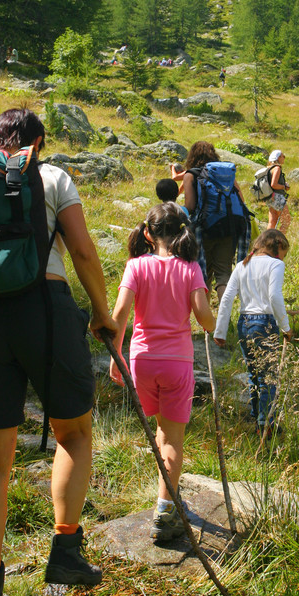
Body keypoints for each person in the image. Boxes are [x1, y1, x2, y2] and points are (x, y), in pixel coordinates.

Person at [0, 108, 117, 596]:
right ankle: (65, 552)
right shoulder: (50, 175)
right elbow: (84, 253)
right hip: (44, 309)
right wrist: (102, 313)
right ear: (38, 143)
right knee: (72, 433)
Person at [108, 203, 215, 543]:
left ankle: (166, 495)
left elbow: (121, 312)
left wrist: (116, 354)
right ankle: (165, 509)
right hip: (176, 363)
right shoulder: (190, 269)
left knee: (159, 432)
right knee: (171, 439)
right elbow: (203, 318)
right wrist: (218, 321)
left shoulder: (136, 266)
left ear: (148, 234)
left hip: (142, 360)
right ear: (181, 232)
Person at [214, 229, 291, 437]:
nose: (283, 258)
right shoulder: (276, 264)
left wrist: (220, 330)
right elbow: (274, 296)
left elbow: (227, 298)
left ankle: (256, 415)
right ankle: (266, 423)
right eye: (283, 253)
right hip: (265, 324)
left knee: (254, 373)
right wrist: (286, 326)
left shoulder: (242, 265)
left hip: (244, 323)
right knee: (269, 377)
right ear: (276, 247)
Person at [181, 141, 250, 303]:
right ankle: (224, 320)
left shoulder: (191, 175)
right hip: (229, 228)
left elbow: (190, 206)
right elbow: (241, 200)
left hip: (204, 230)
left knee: (203, 274)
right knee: (224, 273)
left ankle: (206, 324)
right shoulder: (226, 174)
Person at [266, 149, 291, 234]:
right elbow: (274, 184)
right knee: (286, 221)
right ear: (278, 157)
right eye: (283, 156)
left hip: (270, 197)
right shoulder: (277, 168)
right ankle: (278, 241)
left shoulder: (269, 168)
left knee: (272, 221)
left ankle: (267, 241)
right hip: (277, 197)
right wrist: (284, 186)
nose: (284, 158)